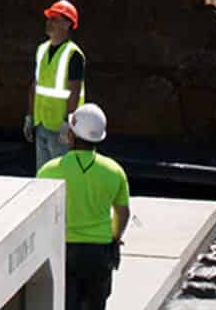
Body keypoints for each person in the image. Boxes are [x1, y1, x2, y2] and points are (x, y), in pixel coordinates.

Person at [38, 104, 130, 310]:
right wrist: (114, 238)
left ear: (71, 135)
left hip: (64, 250)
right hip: (99, 252)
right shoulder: (114, 171)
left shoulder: (49, 171)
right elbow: (122, 213)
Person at [24, 0, 86, 170]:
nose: (48, 22)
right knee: (43, 175)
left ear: (67, 24)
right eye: (48, 18)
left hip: (61, 129)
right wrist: (30, 116)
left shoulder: (73, 54)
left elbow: (74, 91)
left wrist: (68, 125)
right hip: (42, 123)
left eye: (54, 19)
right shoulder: (42, 50)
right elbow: (35, 85)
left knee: (61, 176)